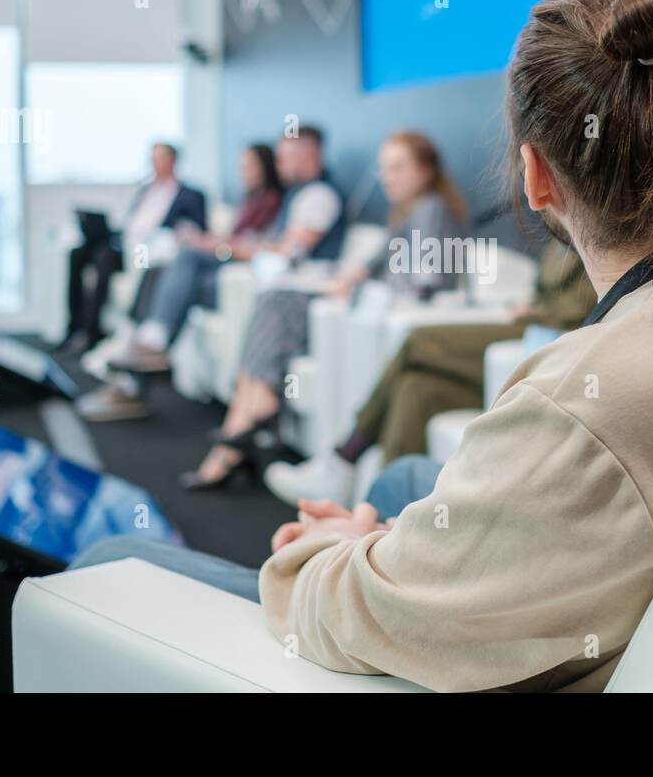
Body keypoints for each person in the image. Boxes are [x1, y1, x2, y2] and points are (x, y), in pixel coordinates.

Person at [73, 0, 653, 692]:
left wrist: (320, 554)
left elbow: (354, 613)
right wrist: (389, 543)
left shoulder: (584, 409)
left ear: (538, 176)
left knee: (109, 559)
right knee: (404, 480)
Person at [181, 129, 469, 490]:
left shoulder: (431, 211)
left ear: (426, 170)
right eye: (384, 168)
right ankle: (246, 418)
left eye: (398, 167)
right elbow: (377, 264)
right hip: (359, 306)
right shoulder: (409, 213)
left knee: (276, 300)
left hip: (372, 314)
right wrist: (350, 275)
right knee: (274, 297)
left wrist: (355, 285)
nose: (388, 177)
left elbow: (424, 284)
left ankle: (241, 426)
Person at [264, 241, 595, 505]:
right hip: (529, 330)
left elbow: (578, 309)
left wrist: (534, 309)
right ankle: (383, 523)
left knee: (420, 341)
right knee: (416, 387)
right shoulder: (562, 224)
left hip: (546, 340)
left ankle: (344, 458)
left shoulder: (597, 224)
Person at [75, 143, 283, 422]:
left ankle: (142, 358)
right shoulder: (250, 201)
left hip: (234, 277)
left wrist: (215, 244)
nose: (242, 172)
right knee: (159, 270)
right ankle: (139, 347)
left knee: (183, 261)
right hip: (216, 266)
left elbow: (262, 249)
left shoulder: (274, 202)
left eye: (249, 165)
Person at [58, 142, 206, 354]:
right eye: (152, 159)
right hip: (126, 244)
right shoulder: (145, 190)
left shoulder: (190, 195)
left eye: (159, 158)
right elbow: (132, 224)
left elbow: (196, 230)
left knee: (104, 258)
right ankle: (74, 328)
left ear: (173, 160)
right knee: (78, 252)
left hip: (147, 251)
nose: (154, 164)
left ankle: (92, 333)